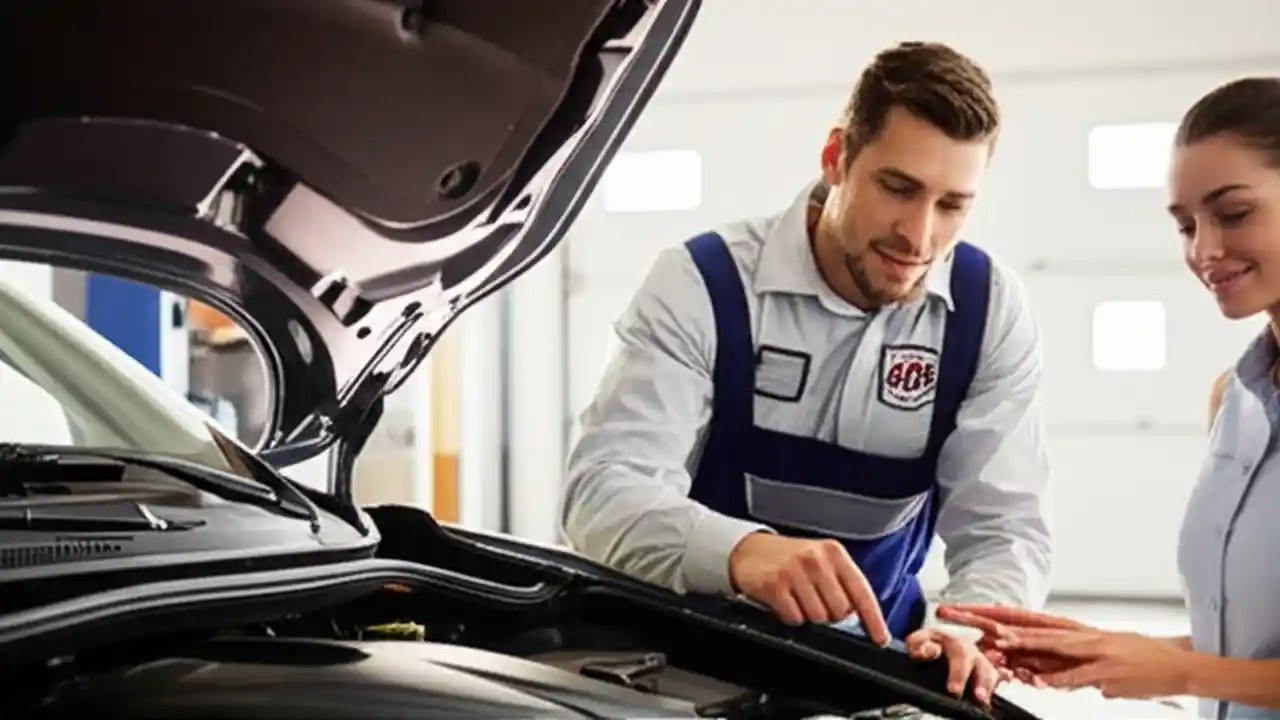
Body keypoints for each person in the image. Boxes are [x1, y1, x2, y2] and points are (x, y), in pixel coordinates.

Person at [559, 40, 1052, 705]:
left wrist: (971, 629)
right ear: (836, 157)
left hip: (871, 676)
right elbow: (600, 495)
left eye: (952, 205)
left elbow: (1004, 529)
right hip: (679, 672)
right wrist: (741, 553)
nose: (919, 236)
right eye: (898, 188)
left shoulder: (989, 311)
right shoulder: (702, 283)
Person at [938, 76, 1280, 719]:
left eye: (1233, 214)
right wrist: (1108, 651)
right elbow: (1250, 652)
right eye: (1185, 225)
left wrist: (1177, 669)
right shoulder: (1233, 403)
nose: (1204, 250)